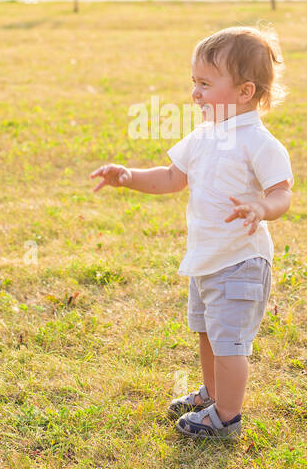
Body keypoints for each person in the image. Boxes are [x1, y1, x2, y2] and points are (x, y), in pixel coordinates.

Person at [89, 25, 294, 439]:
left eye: (205, 84)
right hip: (206, 260)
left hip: (241, 261)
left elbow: (282, 193)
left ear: (244, 92)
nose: (195, 94)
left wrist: (262, 207)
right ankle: (213, 394)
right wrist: (127, 176)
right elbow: (170, 177)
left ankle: (227, 417)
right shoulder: (203, 135)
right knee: (207, 332)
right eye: (193, 83)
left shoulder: (259, 142)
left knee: (230, 343)